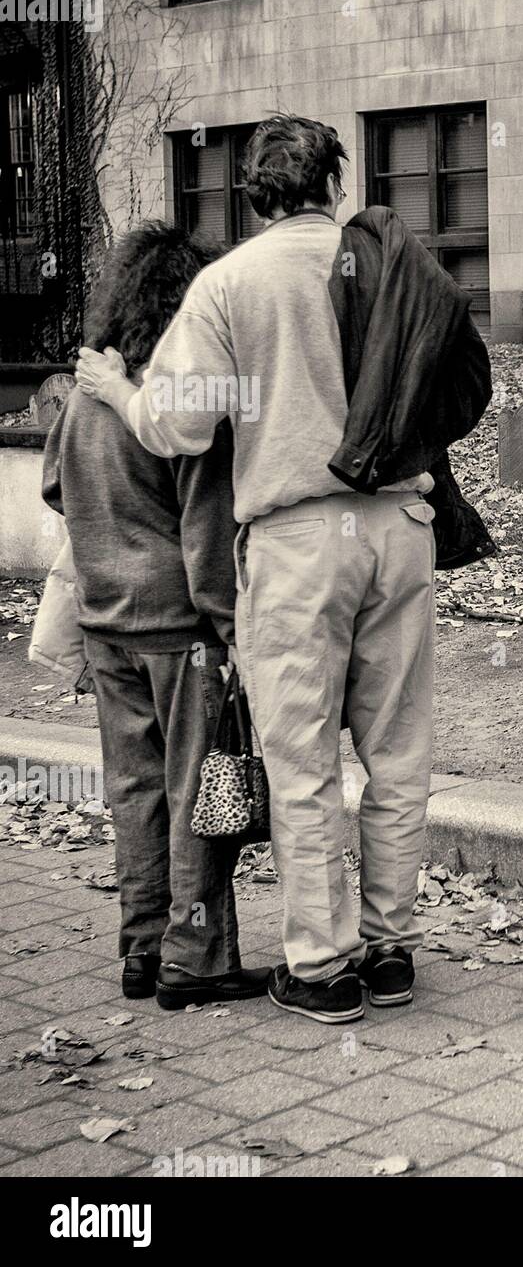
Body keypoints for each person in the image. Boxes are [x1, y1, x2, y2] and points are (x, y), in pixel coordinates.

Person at [75, 116, 488, 1024]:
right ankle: (390, 950)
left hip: (300, 539)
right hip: (403, 526)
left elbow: (177, 429)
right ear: (335, 185)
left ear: (253, 196)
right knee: (398, 750)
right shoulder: (385, 263)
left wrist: (116, 391)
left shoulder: (230, 284)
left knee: (299, 761)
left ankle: (320, 964)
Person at [44, 222, 268, 1009]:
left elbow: (56, 493)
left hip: (105, 621)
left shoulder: (82, 398)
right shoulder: (182, 405)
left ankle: (141, 949)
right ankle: (197, 957)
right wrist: (234, 630)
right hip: (180, 628)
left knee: (135, 789)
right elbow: (209, 536)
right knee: (197, 794)